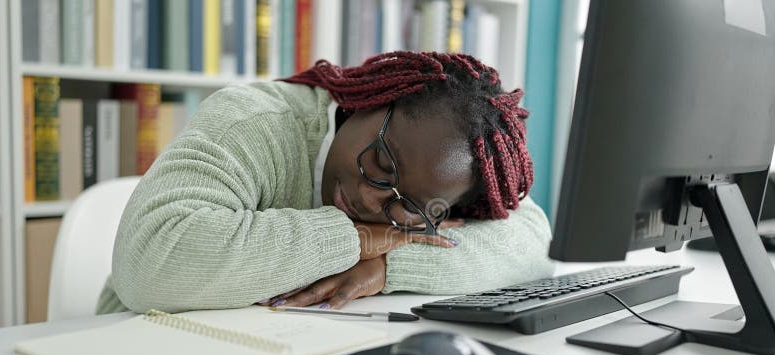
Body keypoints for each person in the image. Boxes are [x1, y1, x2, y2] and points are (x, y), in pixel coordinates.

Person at [95, 51, 554, 314]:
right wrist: (358, 240)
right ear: (372, 102)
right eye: (381, 162)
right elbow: (150, 264)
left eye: (407, 204)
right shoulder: (255, 121)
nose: (372, 199)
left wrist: (389, 267)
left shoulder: (450, 173)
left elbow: (535, 244)